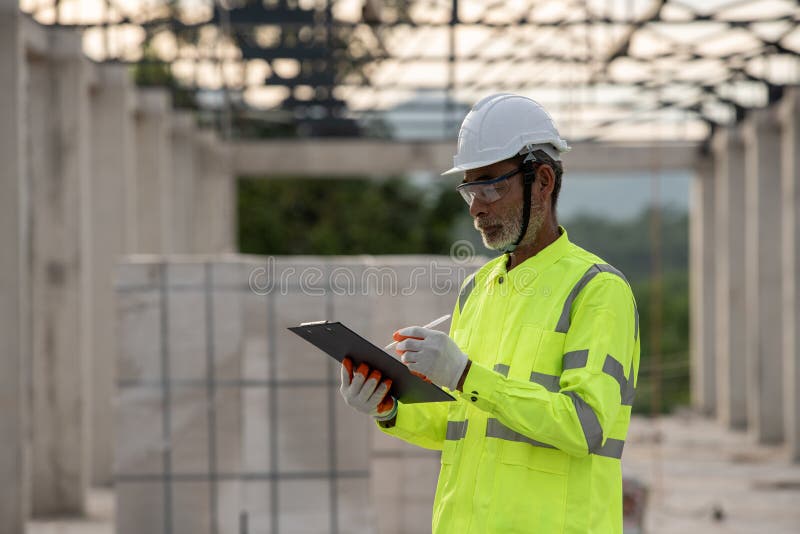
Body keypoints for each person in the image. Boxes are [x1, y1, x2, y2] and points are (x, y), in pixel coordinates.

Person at [339, 93, 640, 533]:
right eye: (469, 190)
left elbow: (584, 425)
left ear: (542, 180)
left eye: (491, 187)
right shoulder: (478, 289)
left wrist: (465, 375)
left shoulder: (596, 290)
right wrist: (389, 405)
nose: (477, 208)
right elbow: (461, 423)